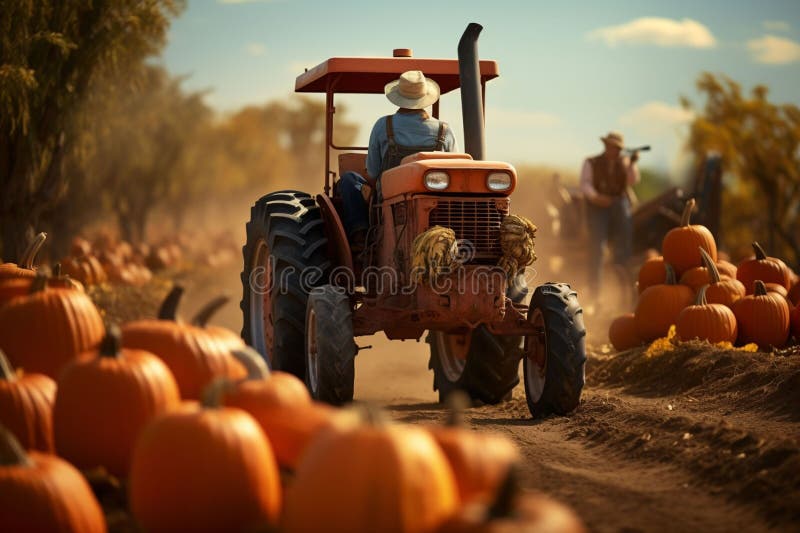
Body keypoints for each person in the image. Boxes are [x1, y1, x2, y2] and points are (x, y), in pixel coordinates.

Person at [338, 70, 457, 249]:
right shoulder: (444, 131)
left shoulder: (382, 126)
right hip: (435, 208)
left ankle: (361, 234)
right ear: (425, 97)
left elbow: (373, 172)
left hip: (388, 204)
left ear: (399, 97)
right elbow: (454, 173)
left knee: (348, 180)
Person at [579, 131, 640, 301]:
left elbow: (633, 180)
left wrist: (632, 163)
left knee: (624, 241)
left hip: (617, 205)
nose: (615, 151)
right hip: (598, 207)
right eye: (612, 147)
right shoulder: (591, 163)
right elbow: (585, 184)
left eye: (617, 148)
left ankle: (622, 283)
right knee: (597, 247)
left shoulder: (625, 163)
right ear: (606, 146)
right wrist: (597, 198)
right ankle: (595, 292)